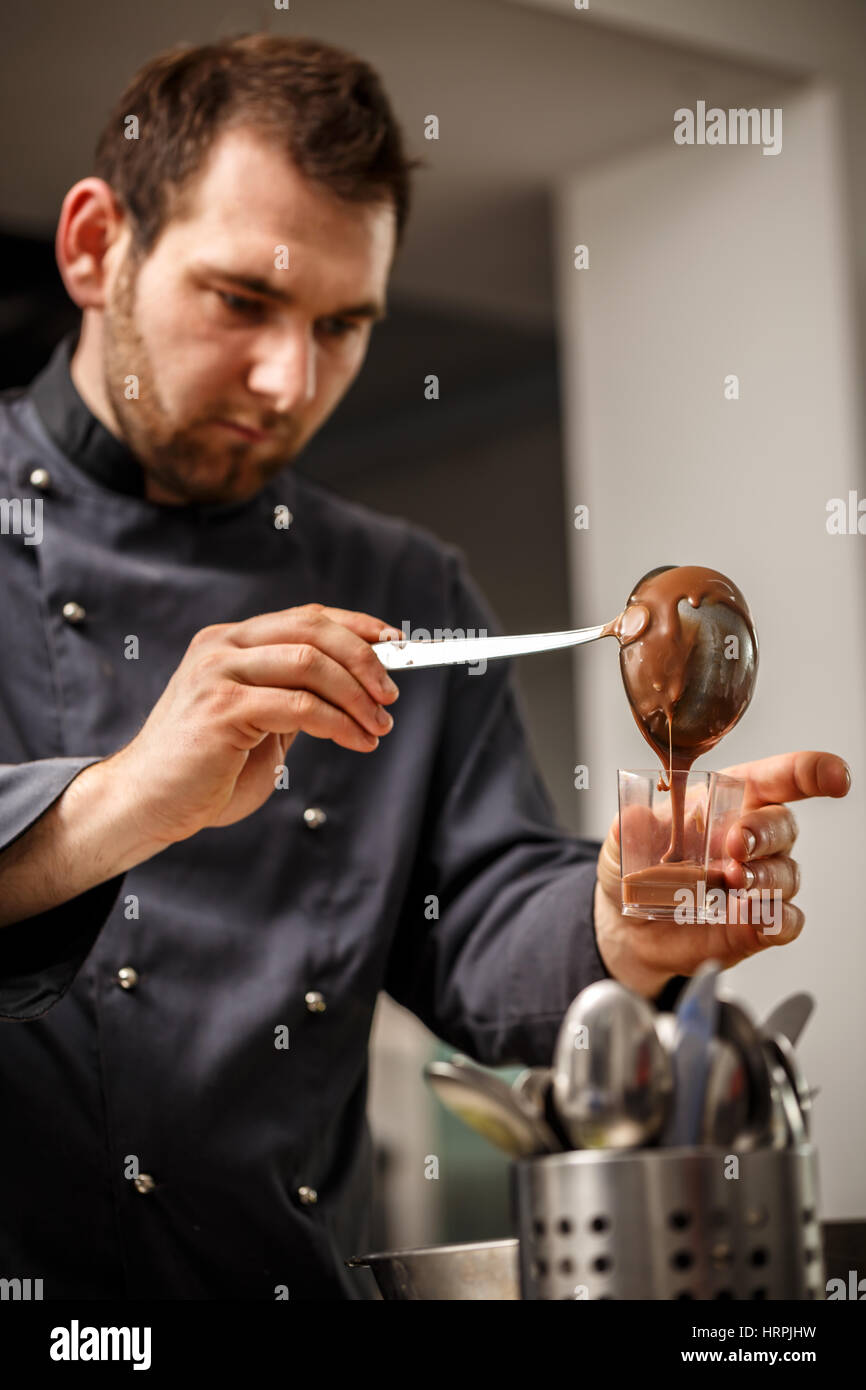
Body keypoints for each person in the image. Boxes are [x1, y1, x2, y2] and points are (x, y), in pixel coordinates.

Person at [0, 33, 849, 1300]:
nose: (290, 380)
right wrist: (118, 804)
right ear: (91, 246)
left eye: (341, 325)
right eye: (242, 300)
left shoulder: (407, 592)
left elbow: (480, 917)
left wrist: (615, 924)